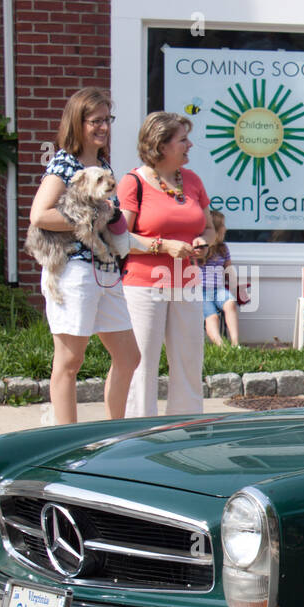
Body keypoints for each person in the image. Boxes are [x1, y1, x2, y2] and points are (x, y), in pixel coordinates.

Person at [27, 88, 139, 424]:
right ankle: (66, 442)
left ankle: (112, 432)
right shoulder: (64, 163)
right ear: (78, 123)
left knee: (129, 356)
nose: (104, 127)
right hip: (72, 272)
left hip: (105, 270)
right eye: (96, 121)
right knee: (69, 361)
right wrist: (92, 216)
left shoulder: (101, 163)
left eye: (108, 119)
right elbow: (39, 215)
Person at [117, 111, 216, 417]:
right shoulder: (133, 182)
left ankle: (184, 431)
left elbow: (209, 228)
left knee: (189, 360)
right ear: (161, 145)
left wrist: (203, 242)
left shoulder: (193, 181)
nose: (190, 145)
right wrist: (163, 246)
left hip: (187, 282)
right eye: (183, 140)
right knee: (142, 362)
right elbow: (122, 237)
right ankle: (138, 433)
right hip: (144, 284)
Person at [197, 210, 242, 347]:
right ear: (216, 229)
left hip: (218, 289)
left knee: (230, 304)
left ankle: (235, 344)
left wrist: (237, 288)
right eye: (223, 225)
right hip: (201, 291)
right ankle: (220, 346)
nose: (226, 228)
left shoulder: (223, 248)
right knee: (213, 317)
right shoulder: (199, 248)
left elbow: (229, 269)